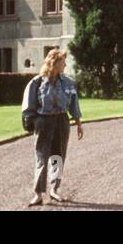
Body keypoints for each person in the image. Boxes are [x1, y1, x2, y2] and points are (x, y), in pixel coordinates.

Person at [21, 48, 83, 206]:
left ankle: (55, 189)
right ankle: (38, 194)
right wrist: (31, 122)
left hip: (62, 121)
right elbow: (28, 105)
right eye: (63, 62)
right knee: (42, 157)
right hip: (44, 122)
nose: (65, 65)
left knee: (58, 156)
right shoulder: (37, 82)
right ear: (54, 63)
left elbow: (74, 103)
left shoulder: (68, 82)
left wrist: (78, 123)